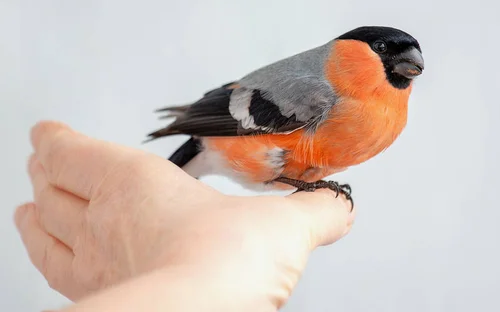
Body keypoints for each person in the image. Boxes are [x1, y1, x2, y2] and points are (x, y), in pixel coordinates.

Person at [14, 121, 355, 311]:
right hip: (226, 140)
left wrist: (196, 280)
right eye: (382, 50)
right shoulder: (323, 97)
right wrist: (205, 285)